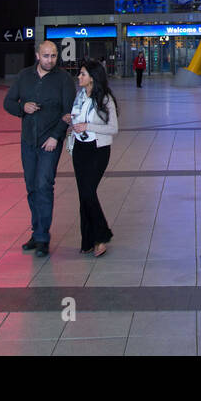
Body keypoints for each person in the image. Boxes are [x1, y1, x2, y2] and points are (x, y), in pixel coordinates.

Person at [2, 40, 75, 257]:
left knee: (44, 185)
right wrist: (22, 108)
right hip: (28, 141)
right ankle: (37, 231)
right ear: (37, 56)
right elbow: (8, 102)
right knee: (32, 186)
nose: (50, 60)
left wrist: (56, 137)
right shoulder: (24, 76)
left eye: (53, 56)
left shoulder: (64, 79)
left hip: (49, 143)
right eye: (46, 56)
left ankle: (43, 236)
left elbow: (69, 112)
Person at [68, 60, 118, 256]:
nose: (79, 77)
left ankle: (102, 235)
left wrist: (88, 126)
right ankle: (88, 240)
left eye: (82, 74)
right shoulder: (80, 96)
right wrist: (70, 120)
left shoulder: (105, 99)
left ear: (92, 78)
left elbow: (113, 128)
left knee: (88, 192)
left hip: (98, 150)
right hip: (80, 149)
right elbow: (76, 119)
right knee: (84, 196)